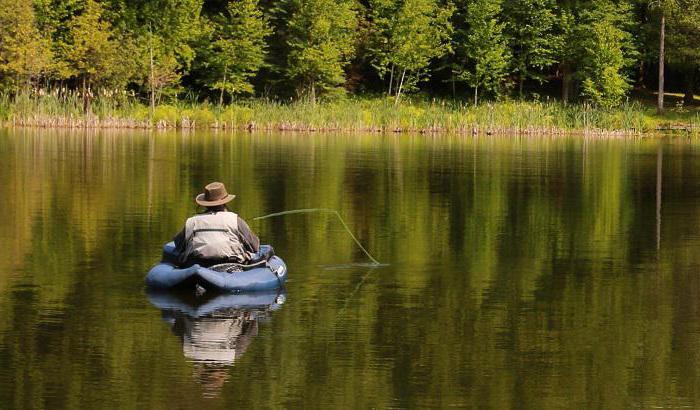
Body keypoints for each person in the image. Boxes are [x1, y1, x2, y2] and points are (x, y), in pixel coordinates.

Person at [173, 181, 260, 266]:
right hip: (232, 264)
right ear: (225, 202)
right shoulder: (235, 220)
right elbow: (254, 246)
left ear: (205, 204)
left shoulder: (191, 222)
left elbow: (179, 245)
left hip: (197, 264)